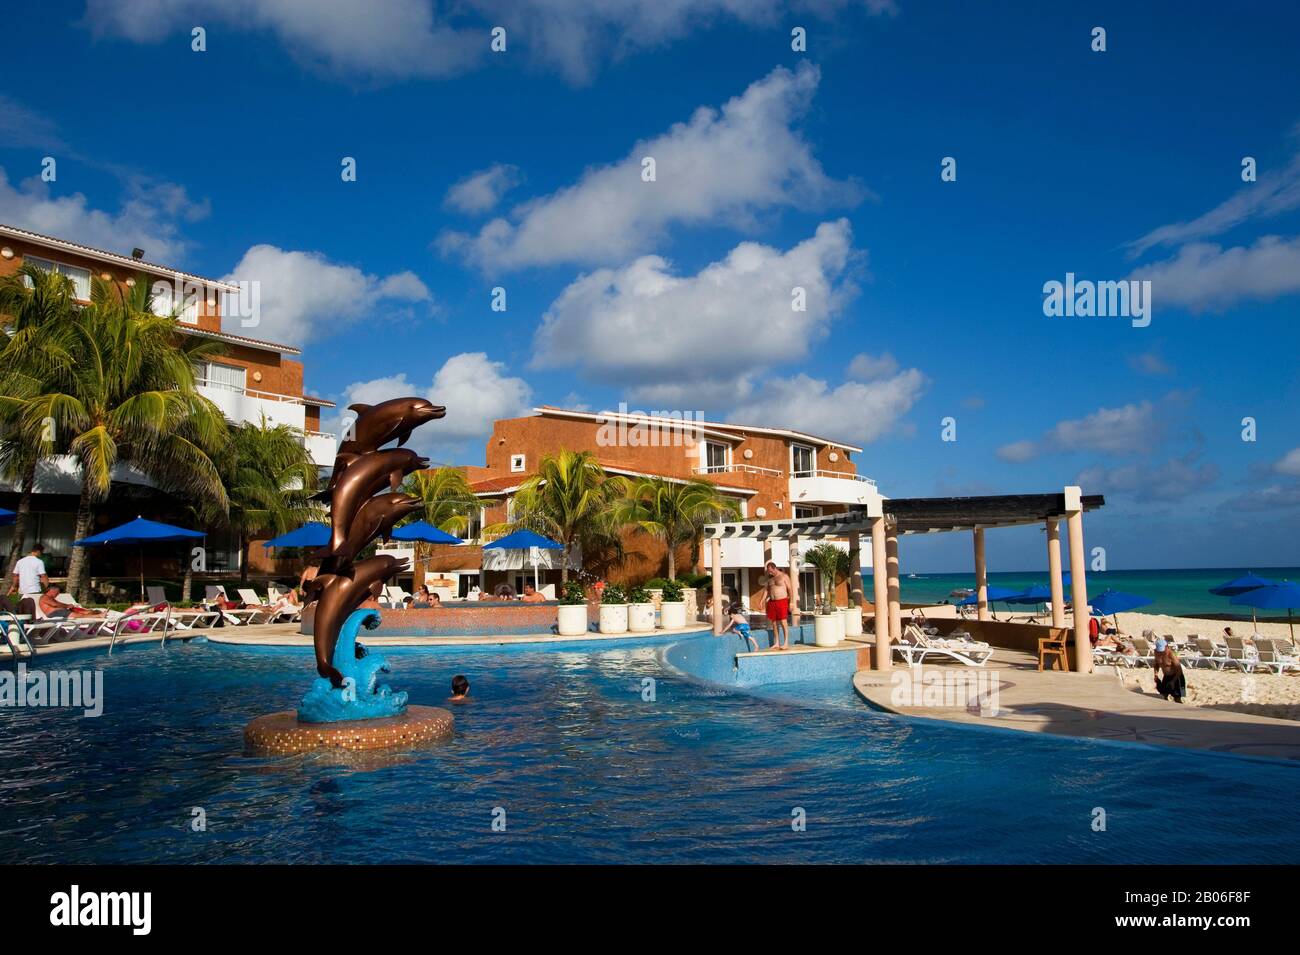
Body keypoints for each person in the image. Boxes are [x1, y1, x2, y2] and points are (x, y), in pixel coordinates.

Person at [763, 560, 792, 651]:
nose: (769, 573)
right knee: (774, 623)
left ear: (774, 568)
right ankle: (776, 643)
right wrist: (761, 601)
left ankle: (786, 642)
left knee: (783, 622)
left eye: (770, 571)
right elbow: (766, 591)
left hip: (782, 601)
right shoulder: (770, 579)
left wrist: (791, 602)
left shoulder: (784, 576)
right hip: (772, 602)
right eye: (768, 571)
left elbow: (790, 590)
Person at [1152, 637, 1186, 703]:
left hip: (1177, 677)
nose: (1161, 652)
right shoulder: (1156, 653)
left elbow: (1179, 670)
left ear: (1167, 646)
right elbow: (1156, 664)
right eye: (1159, 651)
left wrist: (1173, 681)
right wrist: (1156, 674)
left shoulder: (1171, 655)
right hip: (1166, 676)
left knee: (1177, 698)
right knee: (1163, 695)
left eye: (1162, 650)